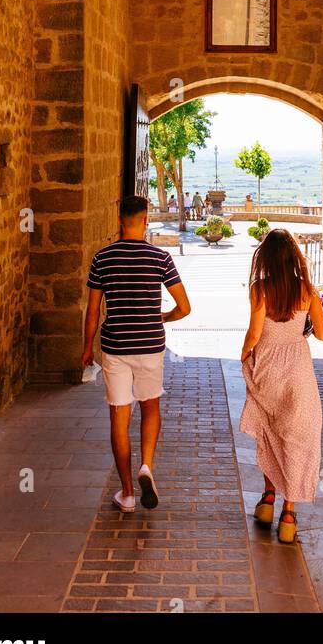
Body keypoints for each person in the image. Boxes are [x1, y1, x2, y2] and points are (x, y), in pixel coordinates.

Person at [82, 195, 191, 513]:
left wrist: (87, 347)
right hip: (150, 345)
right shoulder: (160, 259)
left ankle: (127, 493)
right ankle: (146, 465)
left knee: (119, 415)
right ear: (145, 221)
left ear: (120, 220)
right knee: (151, 405)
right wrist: (164, 317)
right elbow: (184, 307)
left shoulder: (103, 259)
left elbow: (92, 311)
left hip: (115, 346)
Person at [239, 228, 323, 544]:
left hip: (267, 368)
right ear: (293, 257)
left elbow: (254, 332)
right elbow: (322, 335)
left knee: (269, 431)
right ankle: (289, 514)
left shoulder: (259, 288)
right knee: (295, 437)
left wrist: (244, 353)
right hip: (297, 371)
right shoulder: (307, 290)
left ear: (266, 258)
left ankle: (267, 499)